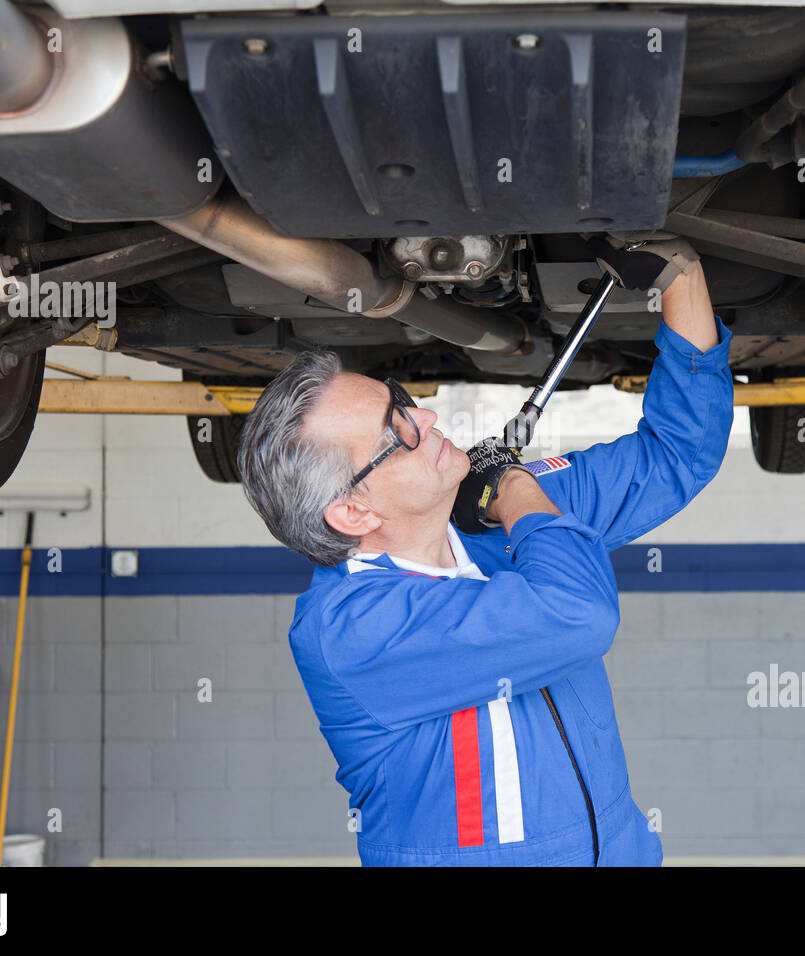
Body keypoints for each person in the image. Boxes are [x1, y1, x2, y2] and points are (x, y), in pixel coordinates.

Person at [237, 235, 734, 865]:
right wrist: (517, 489)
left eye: (405, 405)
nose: (430, 423)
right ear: (352, 510)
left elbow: (675, 456)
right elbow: (576, 614)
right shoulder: (352, 630)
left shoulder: (496, 520)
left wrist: (681, 277)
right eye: (399, 433)